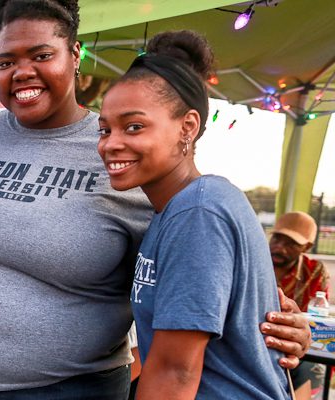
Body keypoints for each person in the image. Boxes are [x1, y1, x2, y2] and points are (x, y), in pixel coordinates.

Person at [0, 1, 311, 398]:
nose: (22, 72)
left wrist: (274, 320)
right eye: (5, 61)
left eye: (41, 55)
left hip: (68, 388)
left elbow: (203, 252)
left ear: (75, 55)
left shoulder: (134, 166)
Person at [98, 29, 292, 399]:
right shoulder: (173, 211)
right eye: (104, 129)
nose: (111, 143)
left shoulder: (199, 212)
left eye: (134, 126)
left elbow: (176, 374)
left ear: (187, 127)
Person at [272, 211, 328, 400]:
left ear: (307, 246)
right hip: (259, 342)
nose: (279, 248)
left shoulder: (313, 271)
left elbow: (315, 322)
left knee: (310, 368)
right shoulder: (254, 262)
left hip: (296, 347)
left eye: (290, 244)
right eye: (277, 238)